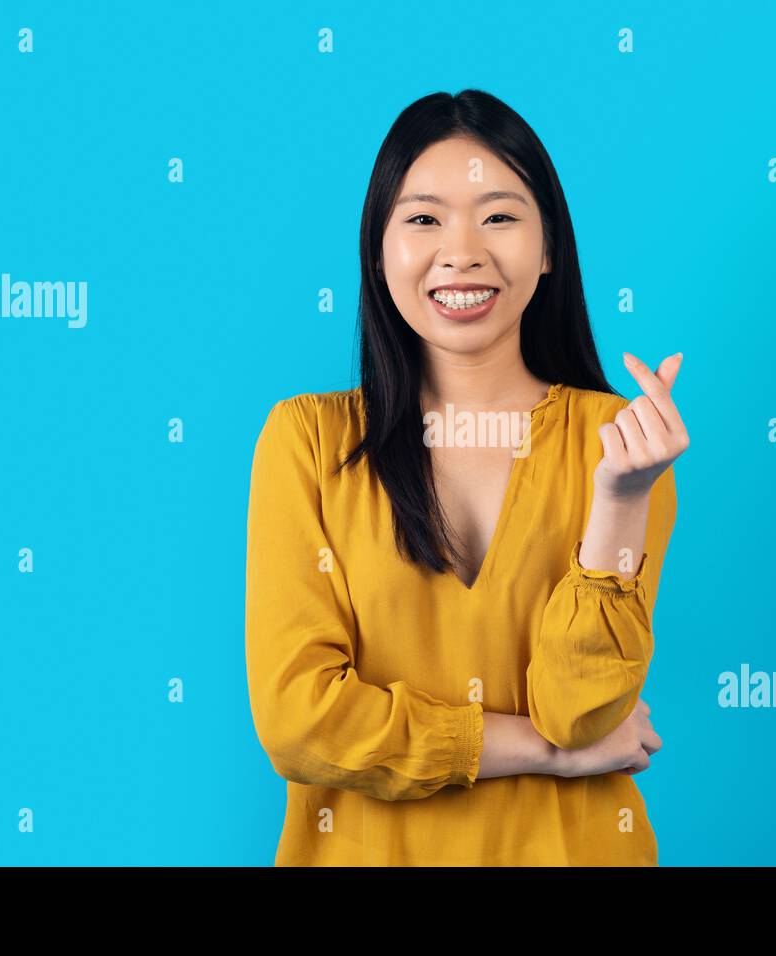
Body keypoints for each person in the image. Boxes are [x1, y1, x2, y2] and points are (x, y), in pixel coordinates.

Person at [245, 88, 689, 866]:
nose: (463, 251)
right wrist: (538, 751)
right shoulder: (307, 442)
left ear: (549, 246)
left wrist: (619, 498)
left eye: (500, 216)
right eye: (423, 218)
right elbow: (300, 722)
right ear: (378, 251)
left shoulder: (618, 445)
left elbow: (581, 713)